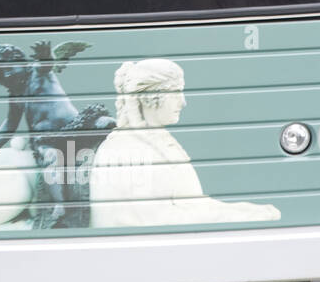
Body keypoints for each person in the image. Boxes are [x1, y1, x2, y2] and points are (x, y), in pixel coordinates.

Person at [89, 59, 281, 227]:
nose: (183, 102)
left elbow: (190, 205)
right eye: (176, 92)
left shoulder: (152, 141)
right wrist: (243, 215)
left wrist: (244, 211)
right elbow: (162, 221)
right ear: (150, 97)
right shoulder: (127, 149)